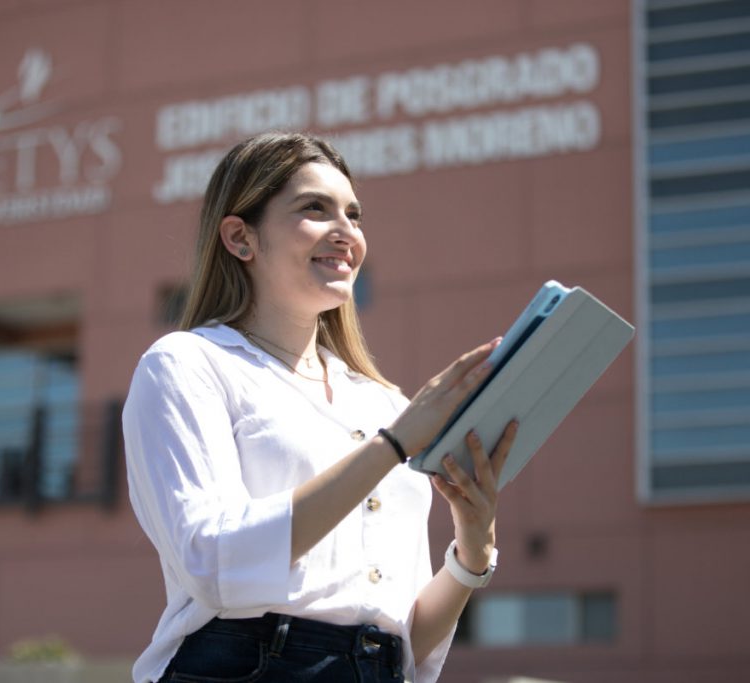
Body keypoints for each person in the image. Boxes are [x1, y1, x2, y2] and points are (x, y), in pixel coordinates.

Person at [122, 131, 519, 683]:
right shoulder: (187, 364)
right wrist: (391, 446)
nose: (347, 233)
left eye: (354, 215)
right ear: (240, 237)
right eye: (315, 208)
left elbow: (400, 642)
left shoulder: (384, 402)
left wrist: (473, 551)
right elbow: (213, 562)